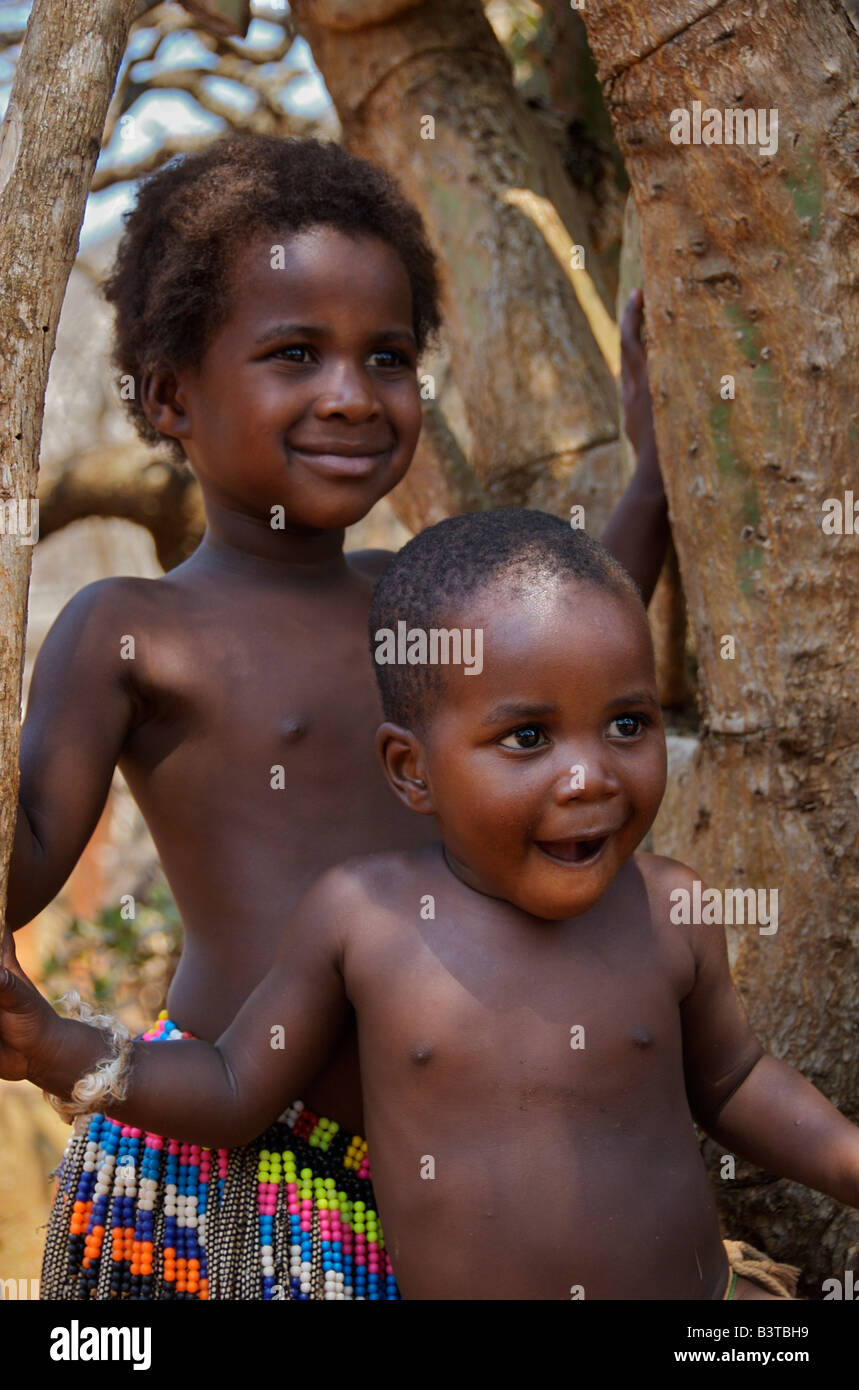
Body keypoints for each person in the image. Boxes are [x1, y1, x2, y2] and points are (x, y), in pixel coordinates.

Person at [5, 133, 668, 1301]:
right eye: (296, 353)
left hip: (441, 1168)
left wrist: (658, 479)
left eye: (390, 356)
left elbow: (578, 644)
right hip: (223, 1166)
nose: (352, 396)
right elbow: (27, 860)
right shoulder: (131, 626)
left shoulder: (419, 605)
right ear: (168, 395)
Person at [4, 510, 855, 1301]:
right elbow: (232, 1088)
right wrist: (54, 1044)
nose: (590, 775)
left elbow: (735, 1081)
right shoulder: (363, 921)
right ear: (411, 770)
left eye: (627, 725)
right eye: (527, 737)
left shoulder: (670, 907)